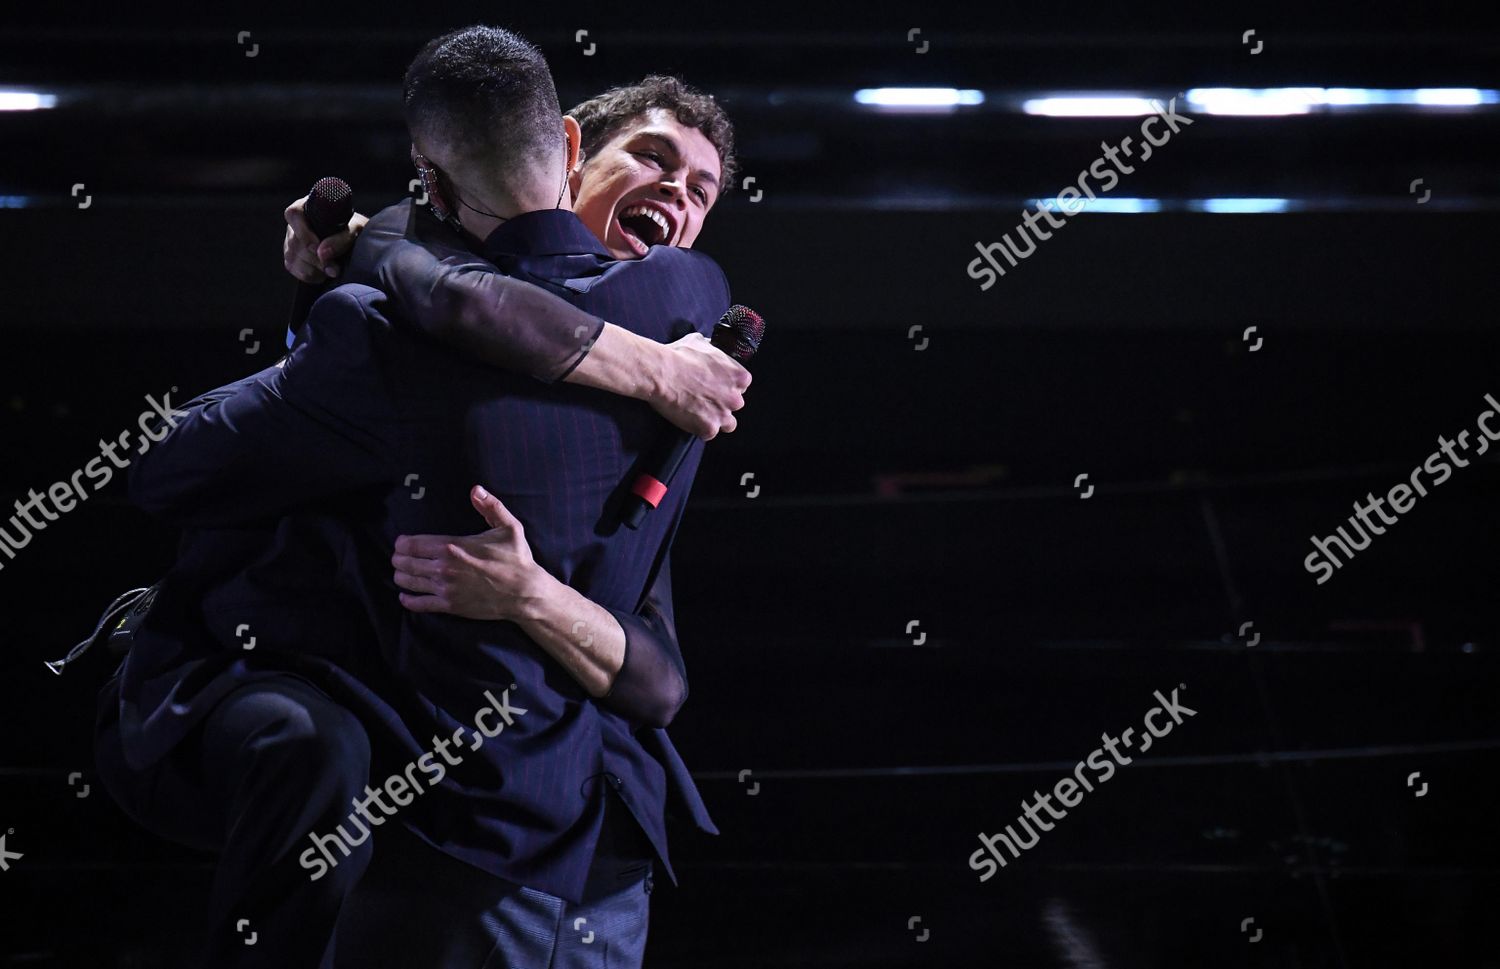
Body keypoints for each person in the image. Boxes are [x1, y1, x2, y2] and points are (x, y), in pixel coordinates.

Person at [92, 33, 745, 969]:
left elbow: (662, 678)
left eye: (703, 190)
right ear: (567, 156)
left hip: (592, 842)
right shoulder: (666, 363)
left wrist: (532, 594)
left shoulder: (675, 346)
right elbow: (467, 305)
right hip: (470, 844)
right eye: (650, 157)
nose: (677, 193)